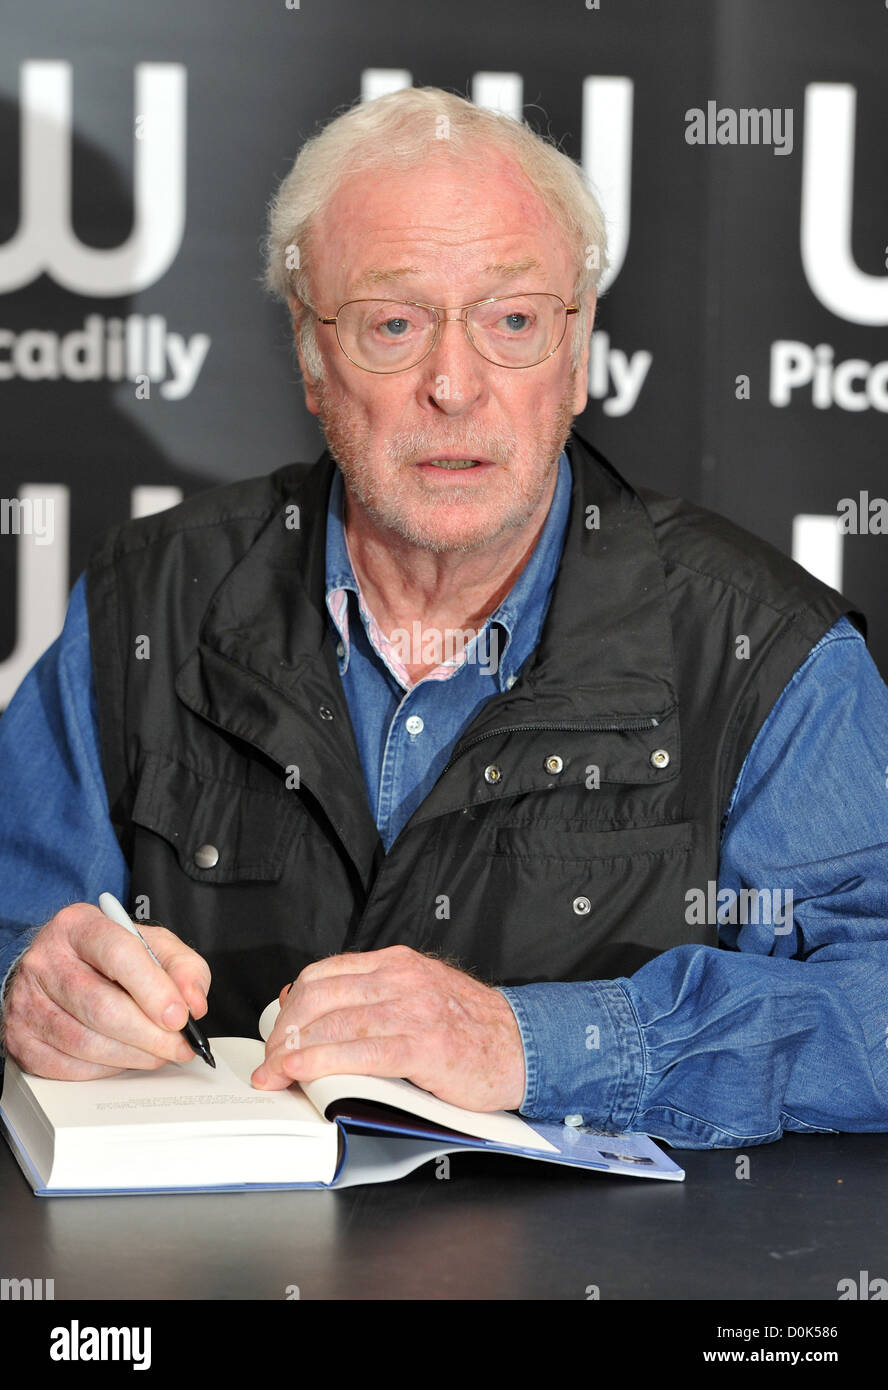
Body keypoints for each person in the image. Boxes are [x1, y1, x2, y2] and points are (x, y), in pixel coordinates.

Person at [1, 87, 886, 1148]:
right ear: (312, 352)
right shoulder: (149, 597)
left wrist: (533, 1044)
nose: (453, 385)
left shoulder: (761, 652)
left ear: (579, 346)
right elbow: (15, 923)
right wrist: (28, 982)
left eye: (512, 320)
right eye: (393, 324)